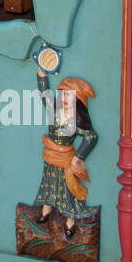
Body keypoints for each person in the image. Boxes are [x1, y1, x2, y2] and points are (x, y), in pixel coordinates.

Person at [33, 68, 98, 240]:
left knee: (67, 188)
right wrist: (41, 74)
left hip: (66, 158)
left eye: (70, 96)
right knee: (48, 182)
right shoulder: (53, 111)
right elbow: (44, 94)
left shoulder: (77, 122)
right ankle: (46, 210)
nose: (66, 100)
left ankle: (70, 220)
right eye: (63, 95)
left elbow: (91, 137)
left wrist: (79, 157)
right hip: (50, 156)